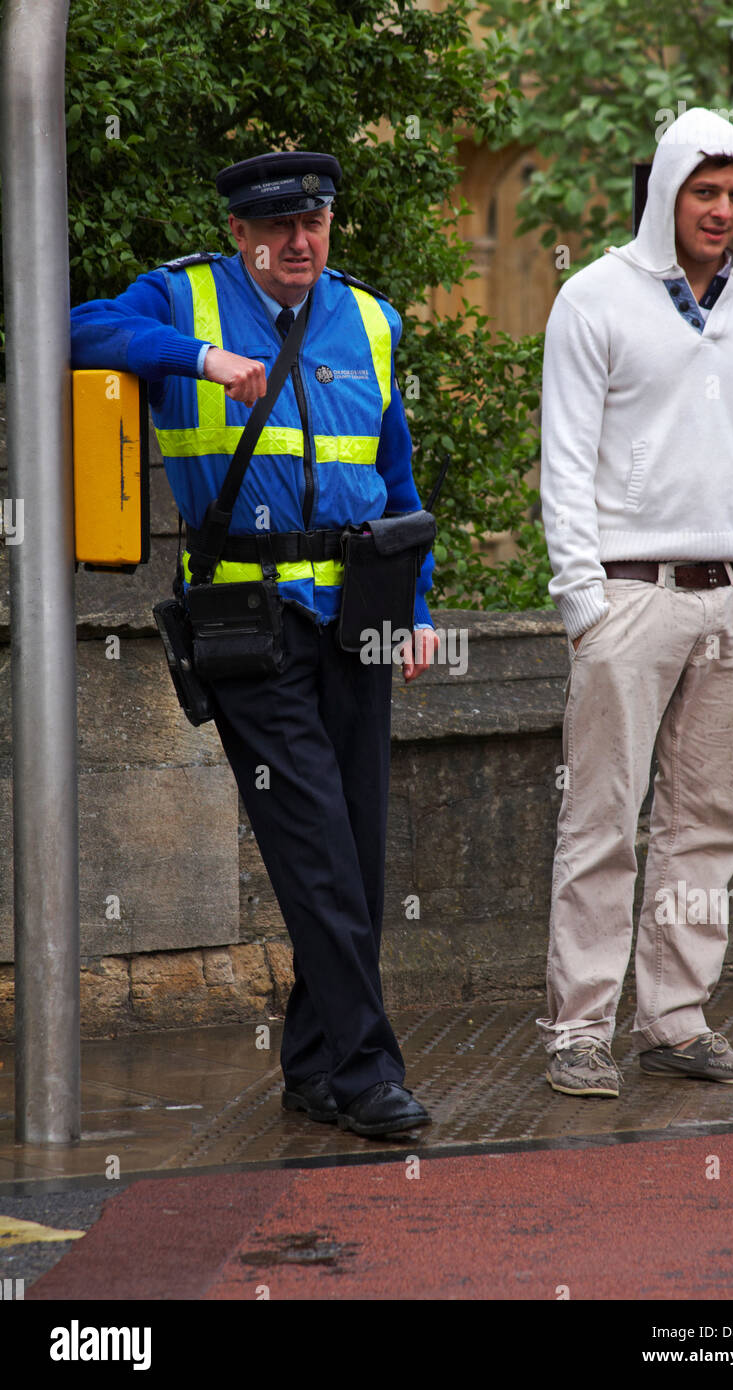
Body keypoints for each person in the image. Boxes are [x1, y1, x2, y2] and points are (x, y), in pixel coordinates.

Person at [71, 151, 438, 1137]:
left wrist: (419, 606)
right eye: (276, 227)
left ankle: (315, 1067)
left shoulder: (368, 318)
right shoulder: (185, 296)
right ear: (239, 232)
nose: (298, 242)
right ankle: (366, 1072)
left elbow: (395, 483)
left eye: (313, 221)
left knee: (352, 852)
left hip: (359, 613)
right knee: (315, 844)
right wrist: (201, 362)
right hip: (248, 620)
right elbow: (74, 329)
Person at [537, 107, 733, 1097]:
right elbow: (562, 462)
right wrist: (583, 601)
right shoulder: (592, 298)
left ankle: (674, 1020)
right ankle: (576, 1029)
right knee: (600, 817)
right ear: (664, 193)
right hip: (629, 596)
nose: (723, 211)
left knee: (706, 819)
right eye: (705, 192)